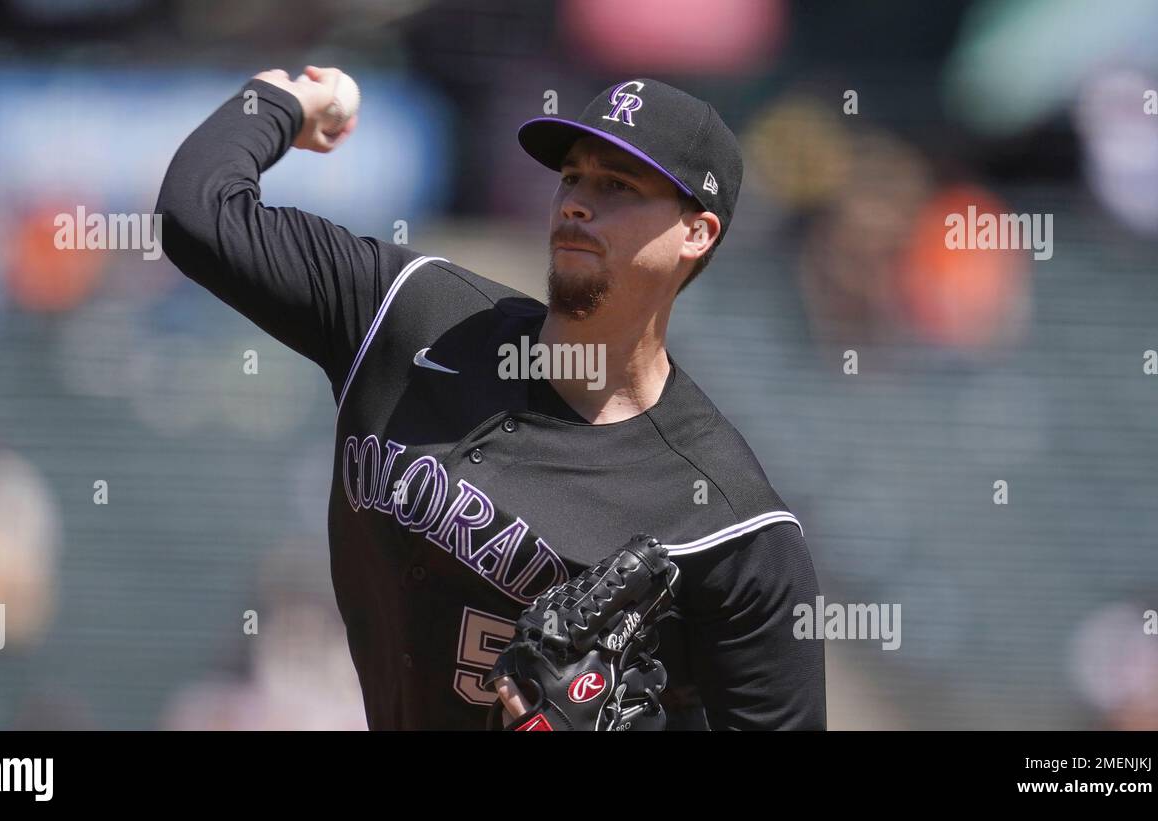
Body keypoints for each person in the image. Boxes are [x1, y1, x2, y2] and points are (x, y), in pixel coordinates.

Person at [156, 67, 826, 730]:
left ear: (696, 232)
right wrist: (277, 101)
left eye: (616, 185)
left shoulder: (732, 527)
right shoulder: (411, 315)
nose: (575, 202)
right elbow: (198, 215)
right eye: (572, 176)